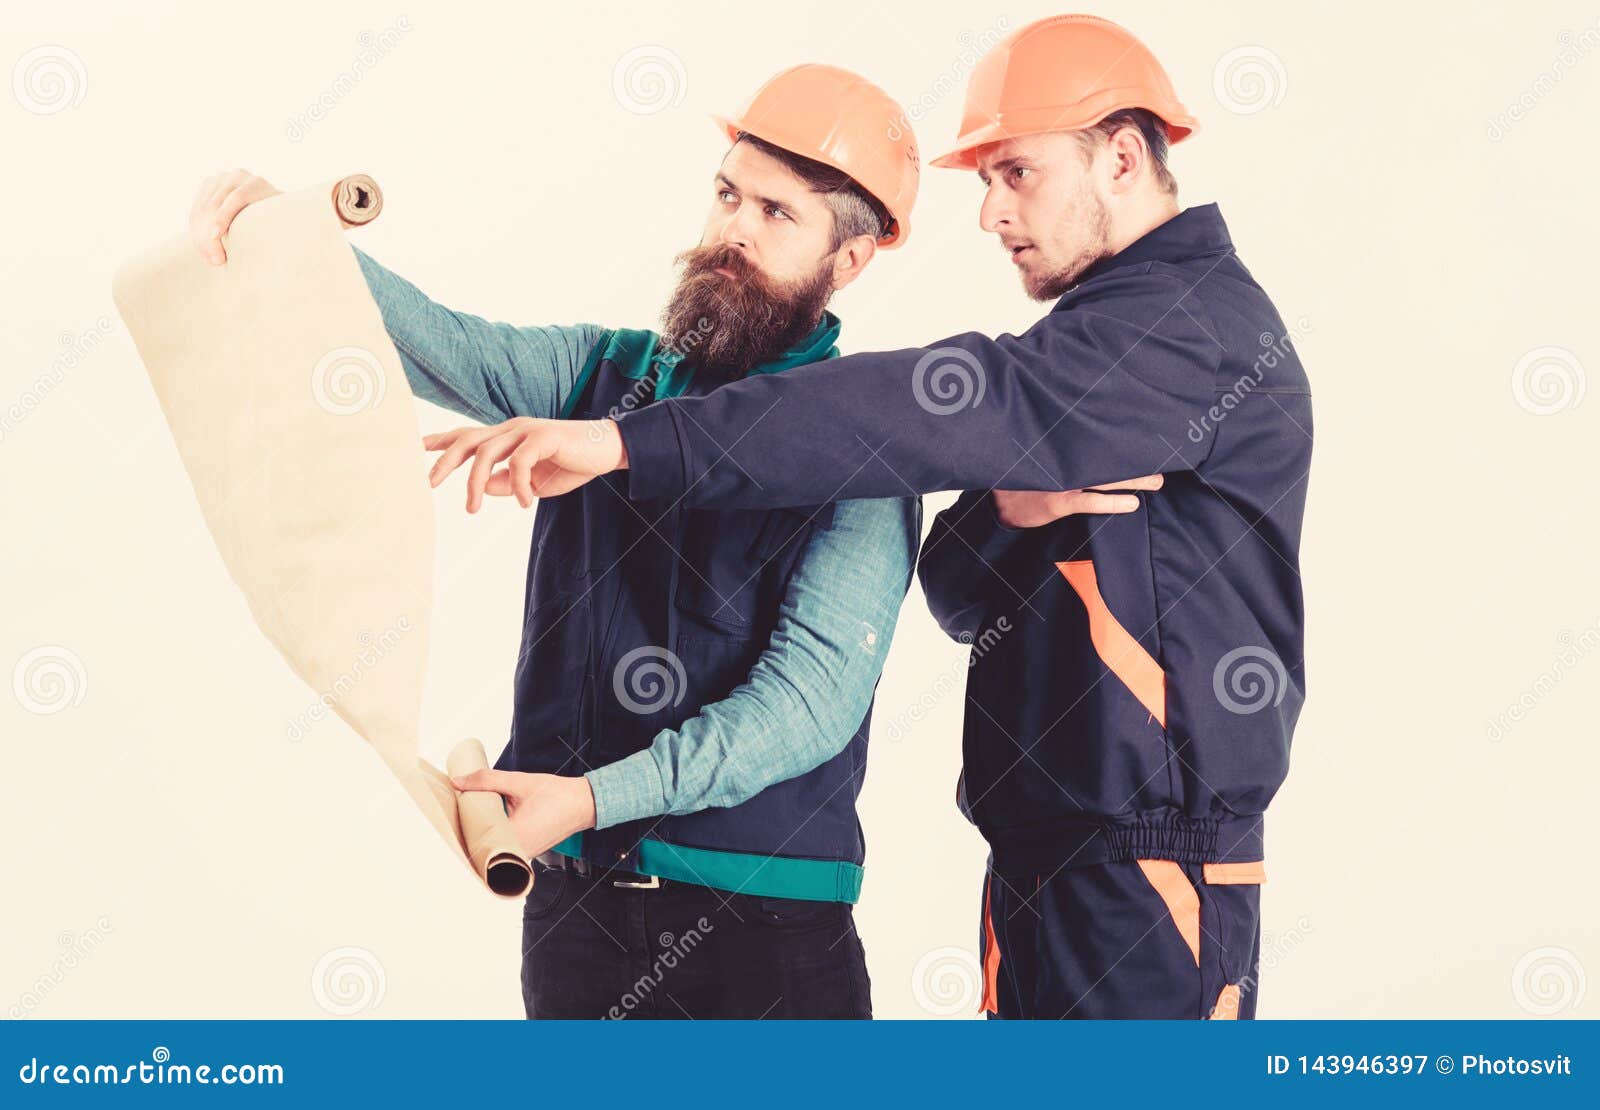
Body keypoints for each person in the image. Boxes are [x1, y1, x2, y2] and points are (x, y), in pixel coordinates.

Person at [428, 15, 1313, 1020]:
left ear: (1118, 157)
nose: (988, 213)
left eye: (1013, 173)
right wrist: (1009, 517)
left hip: (1149, 882)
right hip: (1044, 871)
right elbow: (955, 591)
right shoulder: (1088, 358)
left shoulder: (1186, 331)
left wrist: (634, 443)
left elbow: (933, 406)